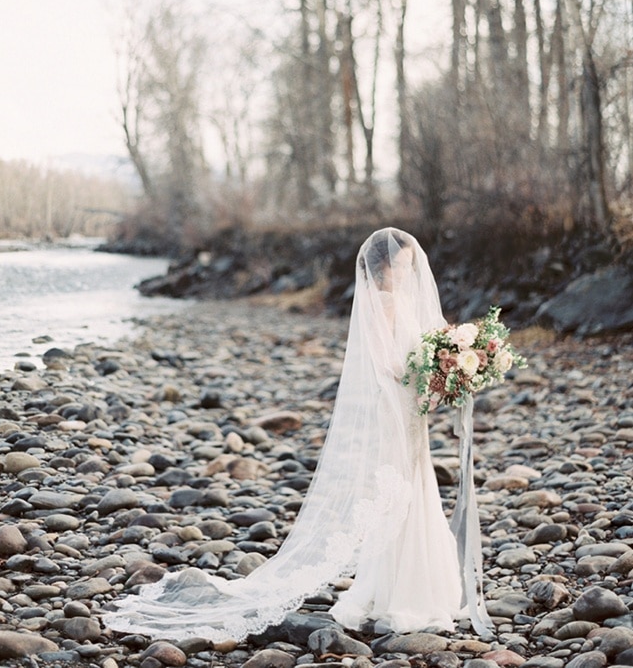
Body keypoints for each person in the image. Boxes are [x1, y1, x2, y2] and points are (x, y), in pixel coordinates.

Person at [103, 228, 492, 642]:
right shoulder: (384, 302)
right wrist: (427, 376)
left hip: (410, 406)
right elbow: (385, 362)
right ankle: (400, 592)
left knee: (414, 486)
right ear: (383, 266)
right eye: (402, 264)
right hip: (398, 405)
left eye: (410, 265)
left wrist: (448, 370)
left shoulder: (403, 302)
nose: (408, 272)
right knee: (402, 488)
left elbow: (420, 351)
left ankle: (407, 586)